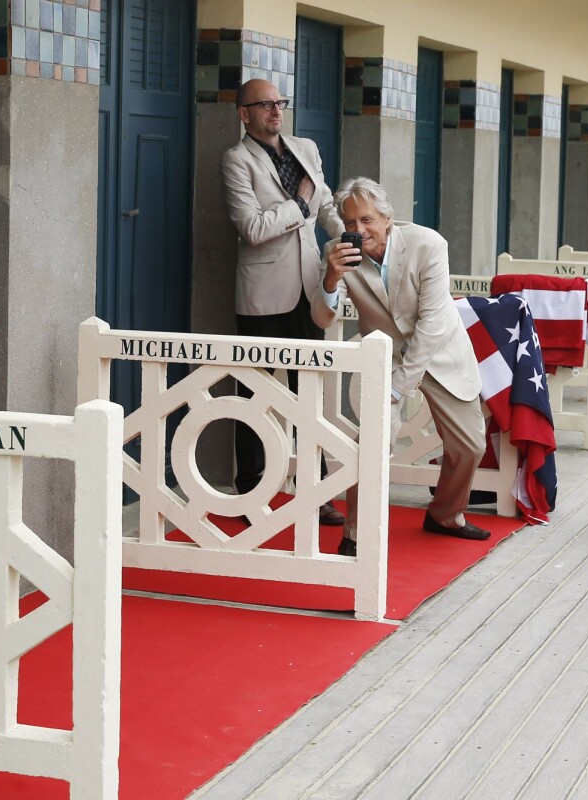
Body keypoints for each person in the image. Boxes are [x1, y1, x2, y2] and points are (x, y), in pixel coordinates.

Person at [313, 177, 489, 555]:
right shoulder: (337, 252)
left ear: (388, 218)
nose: (358, 230)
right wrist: (331, 278)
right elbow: (322, 319)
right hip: (385, 356)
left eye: (367, 220)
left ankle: (445, 514)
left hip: (439, 351)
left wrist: (400, 388)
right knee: (373, 445)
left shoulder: (428, 244)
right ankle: (355, 535)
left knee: (471, 445)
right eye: (350, 223)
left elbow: (432, 325)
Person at [221, 78, 346, 526]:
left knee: (306, 394)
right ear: (244, 114)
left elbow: (326, 204)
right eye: (265, 104)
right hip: (263, 294)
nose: (276, 111)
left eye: (280, 102)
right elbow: (252, 229)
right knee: (254, 395)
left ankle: (316, 492)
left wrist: (348, 235)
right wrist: (300, 202)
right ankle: (249, 493)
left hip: (311, 287)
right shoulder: (237, 160)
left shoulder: (306, 148)